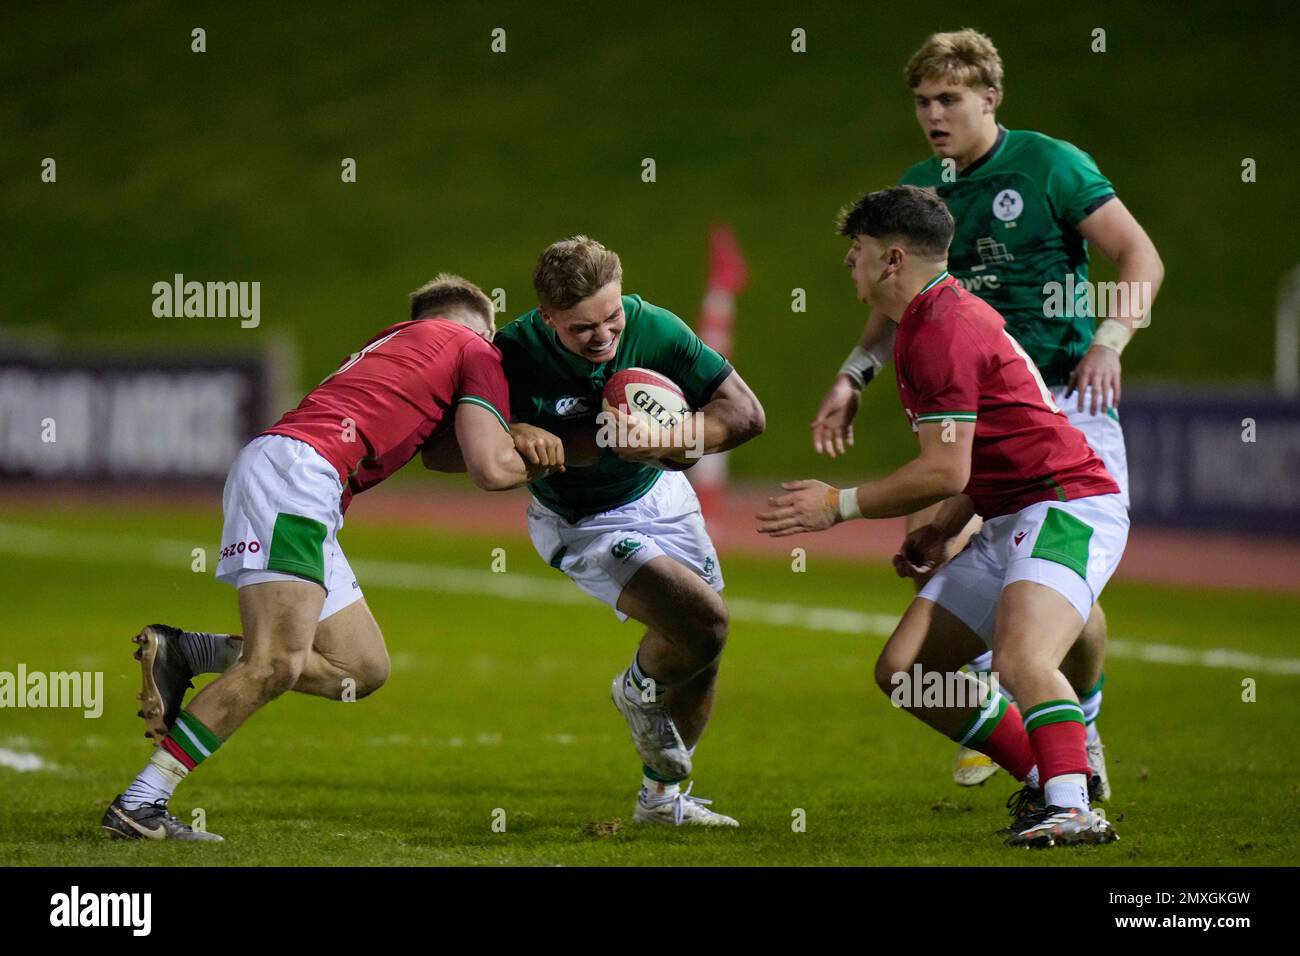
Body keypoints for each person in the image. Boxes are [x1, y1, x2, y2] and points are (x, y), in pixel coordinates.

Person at [810, 28, 1163, 793]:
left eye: (949, 99)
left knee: (1056, 586)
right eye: (922, 101)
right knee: (933, 545)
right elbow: (890, 301)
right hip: (975, 406)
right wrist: (853, 375)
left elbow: (1139, 255)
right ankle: (1025, 724)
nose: (933, 115)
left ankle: (1076, 722)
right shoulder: (920, 192)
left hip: (1066, 399)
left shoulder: (1048, 164)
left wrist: (1111, 339)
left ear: (990, 98)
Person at [103, 274, 539, 841]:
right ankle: (142, 803)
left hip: (297, 476)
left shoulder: (397, 343)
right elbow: (489, 468)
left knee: (359, 669)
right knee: (275, 664)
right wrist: (559, 455)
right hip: (300, 480)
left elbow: (439, 456)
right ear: (483, 328)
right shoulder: (474, 346)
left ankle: (190, 651)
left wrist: (513, 435)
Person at [762, 186, 1127, 846]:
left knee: (1021, 658)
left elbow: (942, 469)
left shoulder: (943, 330)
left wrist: (837, 505)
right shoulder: (927, 323)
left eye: (859, 250)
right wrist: (942, 524)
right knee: (908, 672)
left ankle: (1074, 808)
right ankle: (1051, 780)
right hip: (1010, 507)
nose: (850, 262)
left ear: (893, 258)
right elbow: (983, 459)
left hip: (1069, 505)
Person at [494, 236, 764, 827]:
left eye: (611, 317)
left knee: (703, 650)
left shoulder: (654, 328)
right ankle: (637, 686)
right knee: (706, 620)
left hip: (660, 495)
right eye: (582, 328)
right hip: (581, 522)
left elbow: (745, 415)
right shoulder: (511, 351)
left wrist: (670, 439)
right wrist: (515, 432)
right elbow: (447, 450)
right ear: (547, 319)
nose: (604, 336)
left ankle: (661, 803)